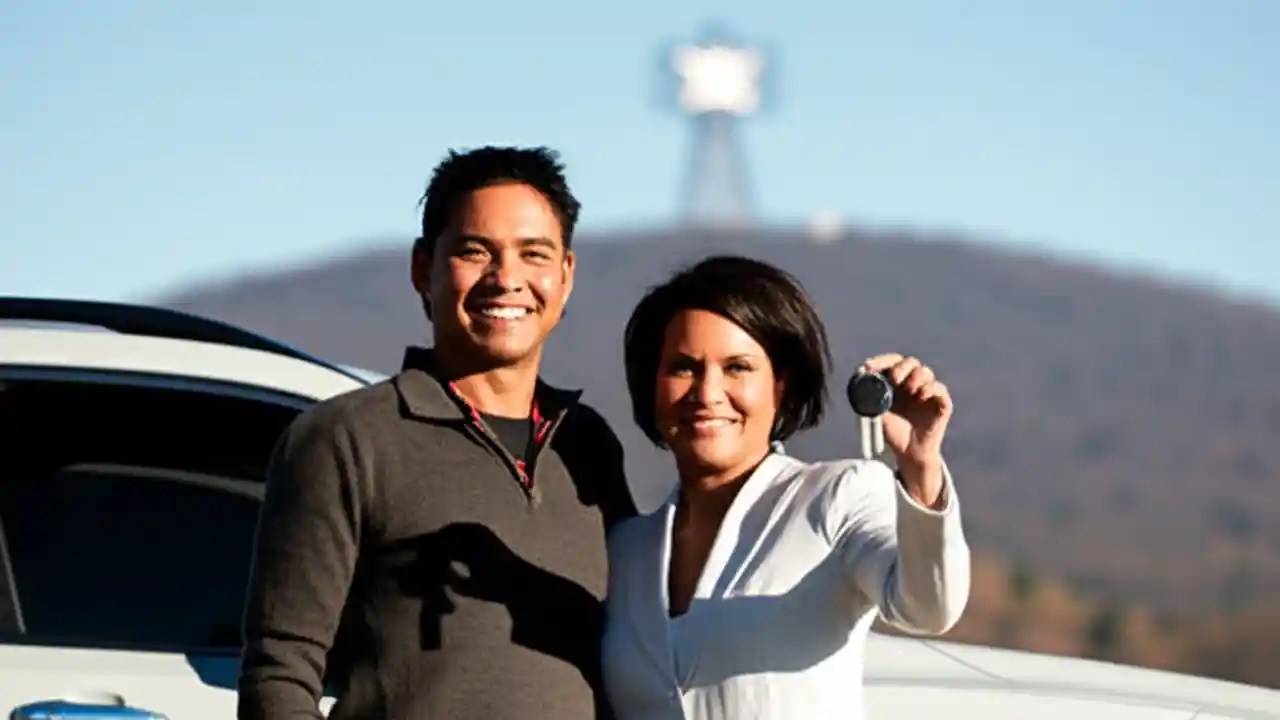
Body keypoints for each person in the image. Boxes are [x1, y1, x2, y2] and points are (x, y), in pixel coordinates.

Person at [238, 146, 636, 720]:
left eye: (534, 254)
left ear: (566, 276)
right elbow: (280, 670)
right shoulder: (345, 438)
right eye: (476, 252)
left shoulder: (588, 443)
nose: (507, 280)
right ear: (424, 269)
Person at [600, 255, 971, 719]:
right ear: (651, 385)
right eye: (683, 367)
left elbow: (928, 607)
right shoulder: (625, 549)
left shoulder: (838, 497)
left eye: (737, 368)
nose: (707, 393)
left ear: (781, 386)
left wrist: (920, 466)